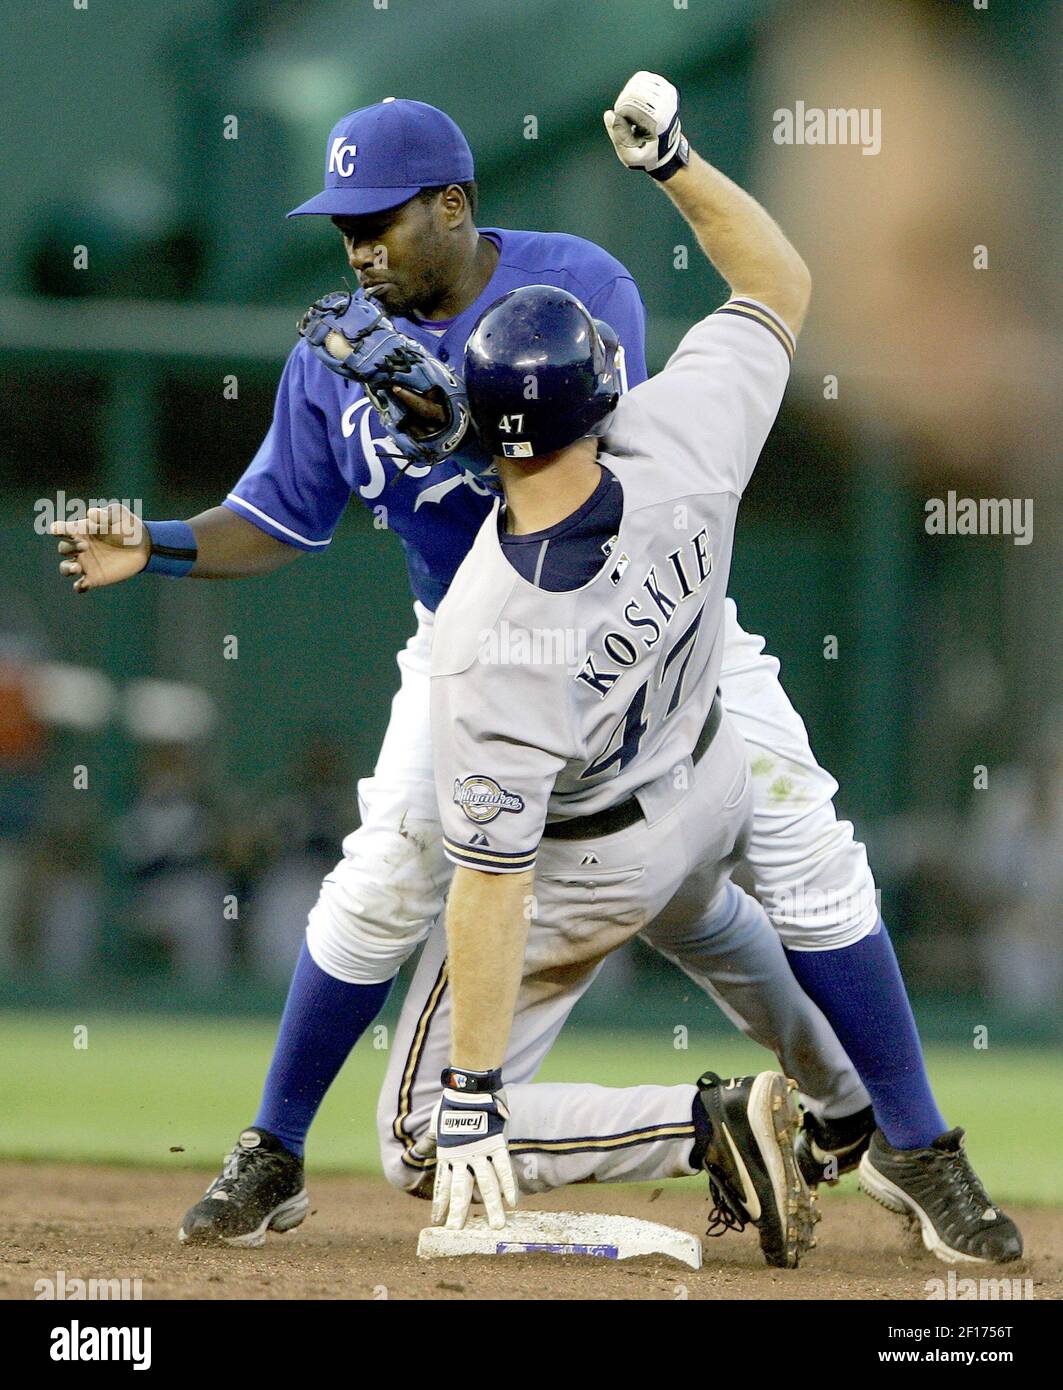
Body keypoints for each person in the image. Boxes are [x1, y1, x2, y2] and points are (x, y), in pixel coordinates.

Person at [48, 86, 1016, 1265]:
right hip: (490, 666)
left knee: (795, 857)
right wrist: (160, 540)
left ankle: (910, 1141)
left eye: (383, 216)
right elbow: (276, 516)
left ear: (453, 205)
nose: (357, 244)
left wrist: (450, 420)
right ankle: (276, 1149)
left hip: (640, 623)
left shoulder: (568, 288)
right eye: (342, 221)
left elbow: (580, 449)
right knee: (394, 888)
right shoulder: (340, 360)